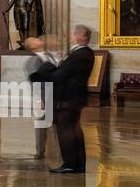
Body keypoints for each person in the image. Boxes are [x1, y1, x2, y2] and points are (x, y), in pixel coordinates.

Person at [31, 25, 95, 173]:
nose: (70, 37)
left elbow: (60, 75)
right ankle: (78, 163)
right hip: (72, 98)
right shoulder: (84, 53)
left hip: (68, 99)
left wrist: (42, 71)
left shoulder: (80, 54)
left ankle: (70, 164)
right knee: (74, 129)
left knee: (66, 131)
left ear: (80, 36)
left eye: (72, 34)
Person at [22, 36, 56, 160]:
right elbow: (34, 80)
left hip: (54, 92)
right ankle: (40, 150)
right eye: (35, 40)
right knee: (42, 122)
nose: (39, 40)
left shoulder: (49, 55)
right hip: (42, 93)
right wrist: (38, 98)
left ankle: (57, 148)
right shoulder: (33, 60)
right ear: (32, 46)